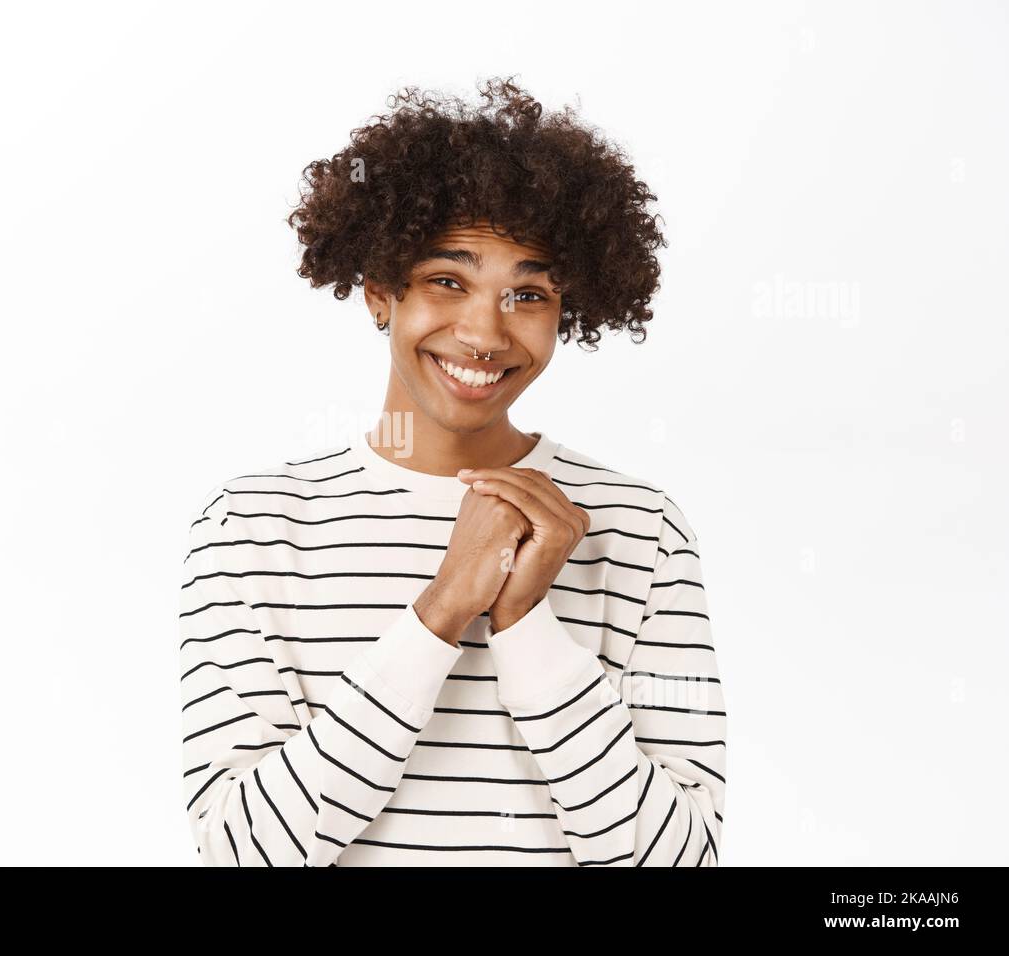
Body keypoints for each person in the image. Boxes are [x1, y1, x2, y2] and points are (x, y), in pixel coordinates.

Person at [178, 77, 726, 866]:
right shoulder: (253, 528)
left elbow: (679, 860)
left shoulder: (639, 529)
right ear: (379, 293)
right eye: (447, 281)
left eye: (527, 294)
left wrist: (526, 623)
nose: (485, 333)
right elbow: (244, 851)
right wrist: (442, 610)